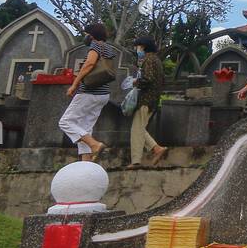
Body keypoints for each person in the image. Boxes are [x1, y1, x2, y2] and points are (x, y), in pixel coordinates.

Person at [60, 22, 116, 161]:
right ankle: (86, 163)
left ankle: (94, 144)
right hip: (103, 94)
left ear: (91, 35)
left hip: (89, 93)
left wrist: (74, 84)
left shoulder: (95, 45)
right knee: (85, 128)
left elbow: (89, 64)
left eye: (86, 34)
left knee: (66, 122)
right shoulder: (108, 48)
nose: (85, 36)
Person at [128, 36, 168, 168]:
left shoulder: (149, 59)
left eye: (137, 46)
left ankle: (136, 161)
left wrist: (136, 82)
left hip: (146, 99)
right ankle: (157, 149)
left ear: (143, 47)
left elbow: (148, 78)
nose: (136, 49)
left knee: (137, 130)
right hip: (153, 99)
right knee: (139, 129)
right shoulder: (157, 60)